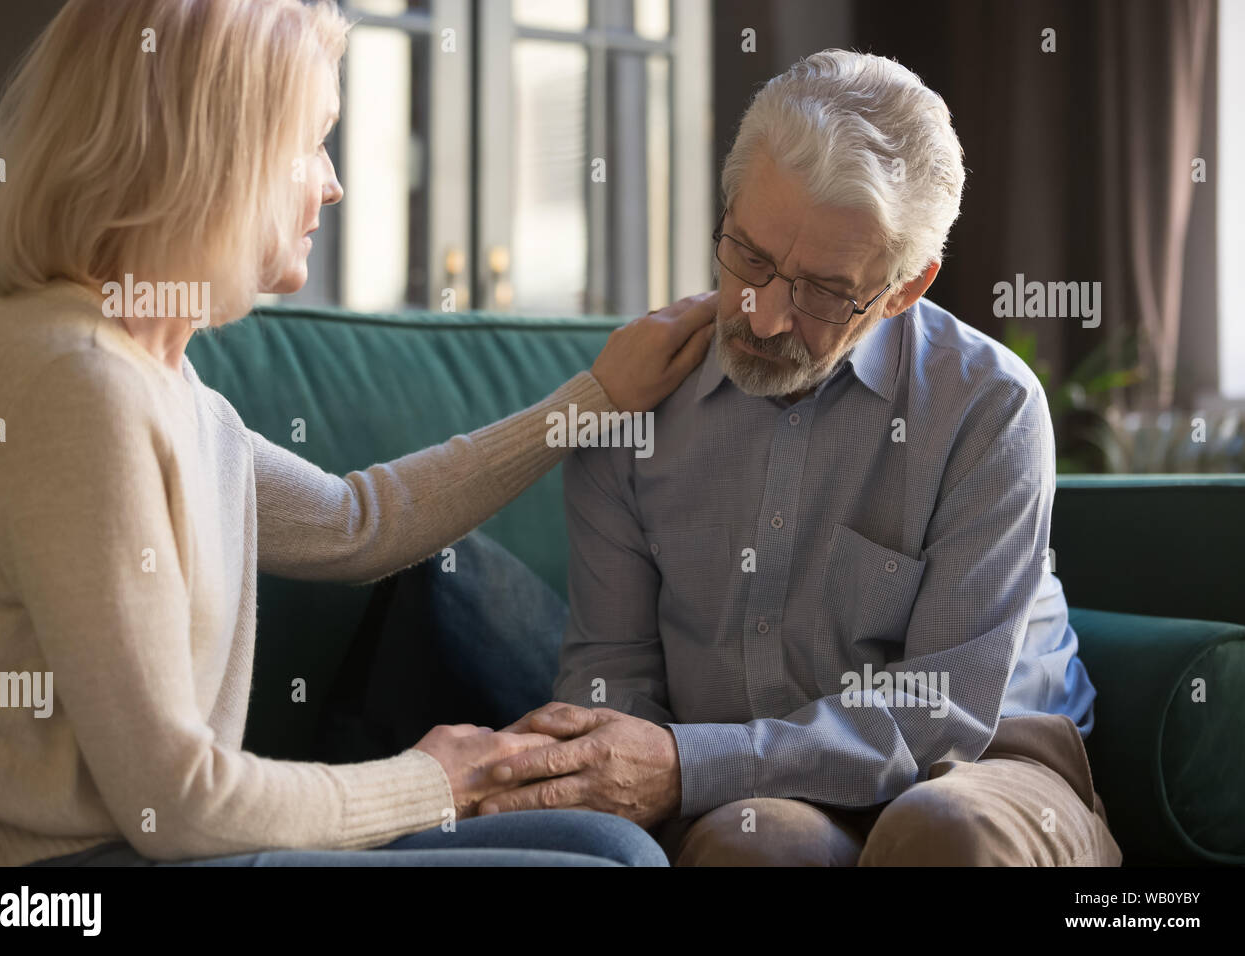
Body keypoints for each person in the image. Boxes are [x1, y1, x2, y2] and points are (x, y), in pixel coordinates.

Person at [0, 0, 716, 867]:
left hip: (163, 851)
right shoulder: (75, 386)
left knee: (606, 845)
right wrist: (433, 779)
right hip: (68, 883)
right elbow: (178, 800)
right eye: (311, 142)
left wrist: (596, 397)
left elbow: (357, 523)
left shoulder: (155, 370)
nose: (332, 181)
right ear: (217, 157)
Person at [481, 50, 1123, 867]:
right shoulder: (632, 403)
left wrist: (686, 764)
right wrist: (609, 760)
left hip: (986, 763)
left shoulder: (988, 407)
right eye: (749, 256)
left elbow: (940, 720)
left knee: (944, 832)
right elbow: (611, 675)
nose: (767, 318)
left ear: (904, 287)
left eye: (824, 290)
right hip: (746, 793)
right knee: (746, 847)